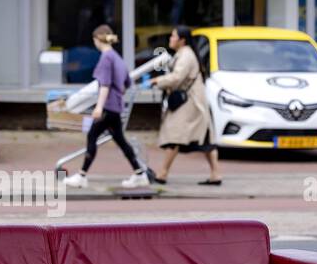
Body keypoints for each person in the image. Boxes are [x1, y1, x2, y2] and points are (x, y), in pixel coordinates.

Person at [63, 25, 147, 189]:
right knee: (121, 141)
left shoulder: (106, 58)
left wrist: (99, 107)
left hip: (108, 107)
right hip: (115, 106)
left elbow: (104, 85)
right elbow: (126, 84)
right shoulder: (117, 57)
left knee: (92, 136)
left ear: (97, 39)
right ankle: (139, 174)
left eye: (94, 40)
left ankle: (81, 176)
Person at [149, 25, 221, 186]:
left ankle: (162, 173)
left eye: (173, 36)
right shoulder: (184, 54)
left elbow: (177, 77)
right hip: (193, 102)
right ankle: (216, 174)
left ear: (182, 40)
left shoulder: (186, 56)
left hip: (190, 103)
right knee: (205, 139)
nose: (170, 39)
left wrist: (157, 81)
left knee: (175, 136)